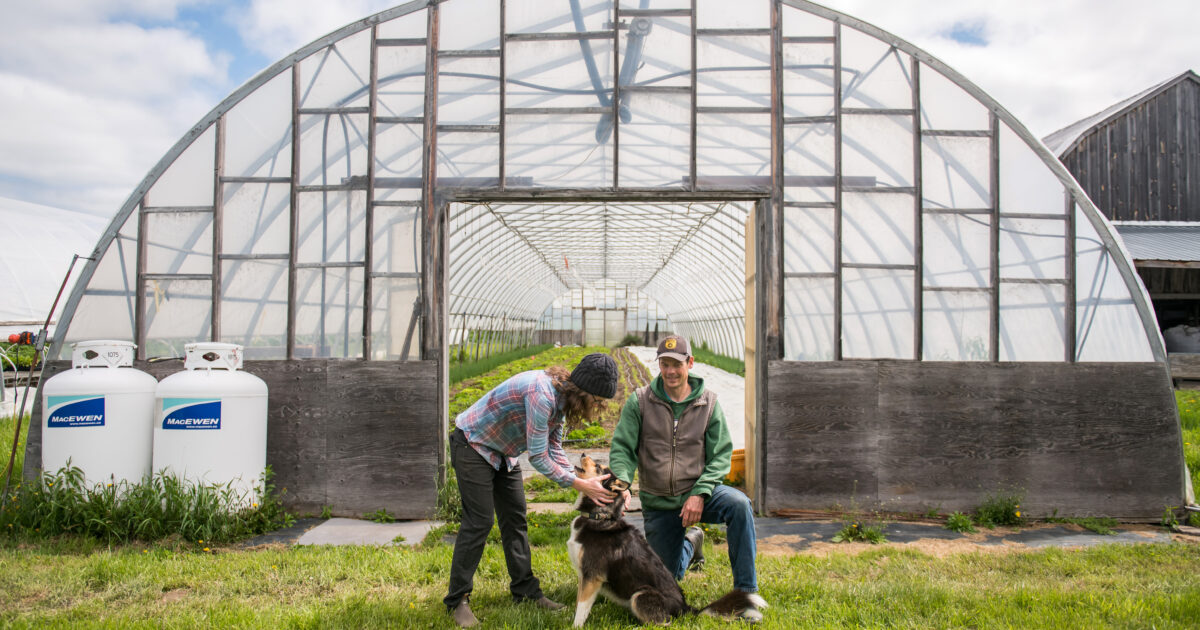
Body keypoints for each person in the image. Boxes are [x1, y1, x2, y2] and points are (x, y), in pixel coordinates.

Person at [444, 352, 619, 628]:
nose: (596, 408)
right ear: (583, 392)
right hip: (474, 445)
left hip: (504, 451)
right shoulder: (542, 394)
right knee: (479, 521)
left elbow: (554, 448)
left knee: (516, 519)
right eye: (596, 401)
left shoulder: (561, 401)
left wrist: (583, 480)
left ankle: (525, 590)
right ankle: (458, 599)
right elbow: (538, 456)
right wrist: (577, 483)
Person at [608, 335, 760, 616]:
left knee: (739, 505)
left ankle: (746, 595)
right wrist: (622, 484)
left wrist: (700, 493)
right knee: (667, 582)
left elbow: (720, 456)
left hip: (700, 493)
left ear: (690, 363)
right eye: (664, 364)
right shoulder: (640, 402)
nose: (670, 371)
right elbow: (622, 449)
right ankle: (692, 542)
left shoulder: (708, 404)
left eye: (676, 364)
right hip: (660, 503)